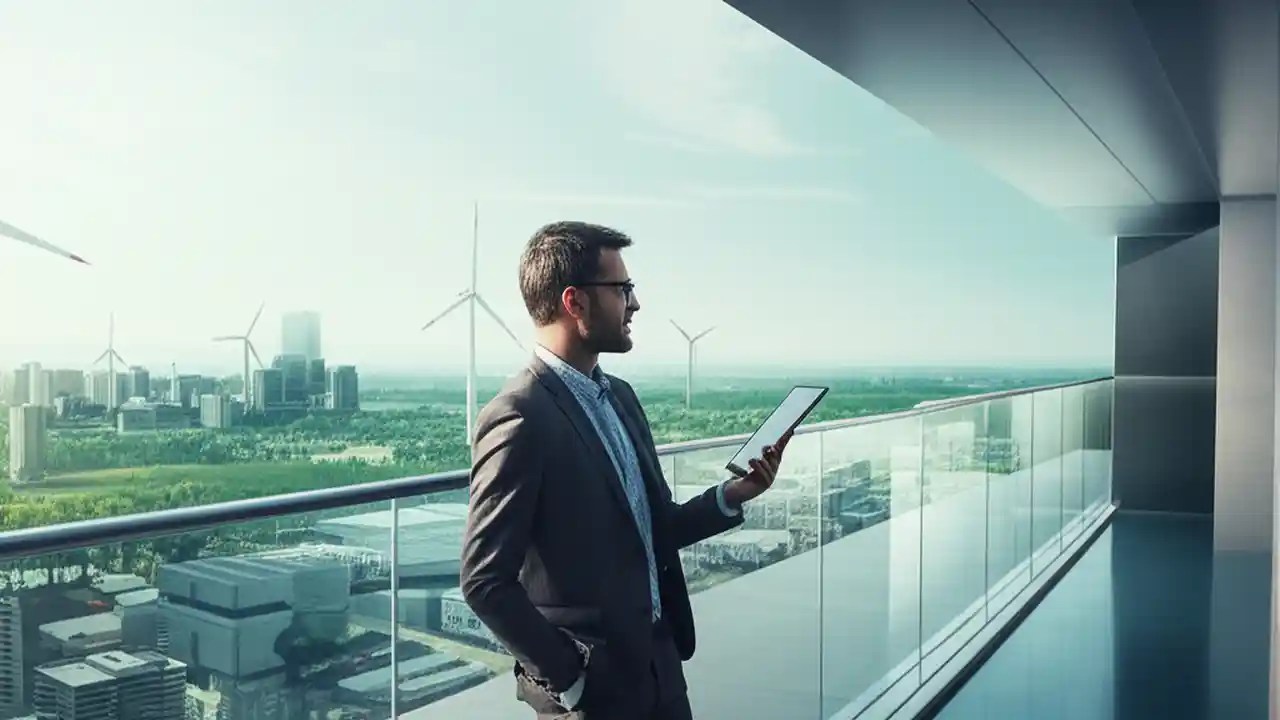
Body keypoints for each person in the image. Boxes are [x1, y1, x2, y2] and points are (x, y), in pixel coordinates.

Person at [460, 221, 791, 719]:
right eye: (623, 289)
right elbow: (484, 581)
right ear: (575, 302)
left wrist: (734, 494)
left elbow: (655, 528)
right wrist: (570, 682)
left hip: (660, 668)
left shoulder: (620, 397)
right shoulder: (519, 416)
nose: (635, 303)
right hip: (592, 693)